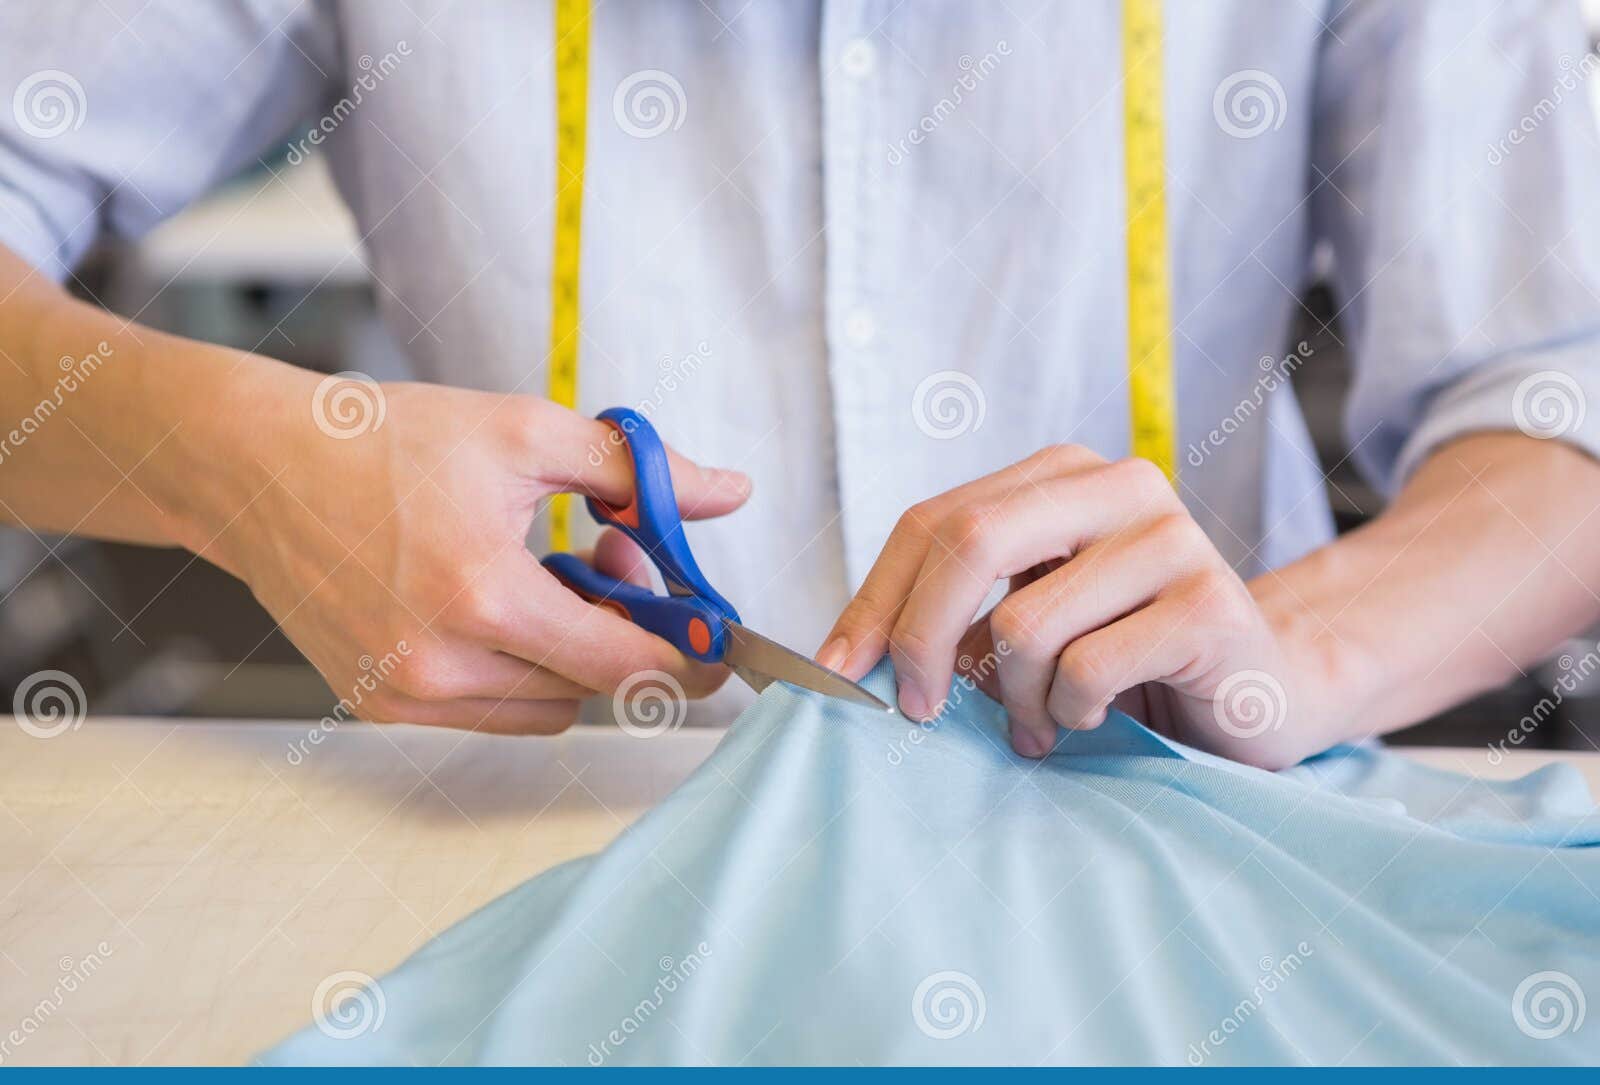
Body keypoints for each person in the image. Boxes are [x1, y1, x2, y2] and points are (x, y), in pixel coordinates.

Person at [3, 2, 1600, 769]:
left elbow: (1560, 396)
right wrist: (248, 459)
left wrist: (1301, 652)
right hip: (562, 857)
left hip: (1193, 860)